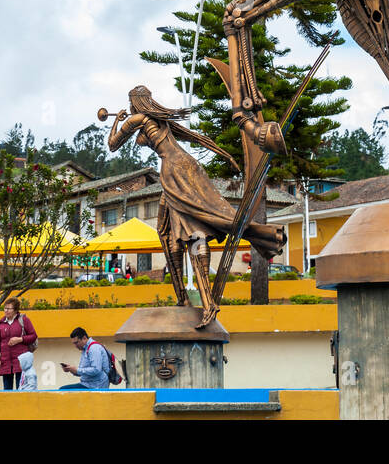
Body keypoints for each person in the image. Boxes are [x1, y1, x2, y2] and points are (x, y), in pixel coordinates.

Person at [107, 86, 286, 327]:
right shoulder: (160, 120)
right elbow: (196, 138)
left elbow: (112, 145)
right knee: (166, 231)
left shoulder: (138, 118)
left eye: (130, 102)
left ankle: (206, 302)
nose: (129, 107)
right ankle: (183, 298)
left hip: (174, 172)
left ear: (136, 103)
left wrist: (116, 123)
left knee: (192, 234)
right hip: (187, 167)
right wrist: (224, 154)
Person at [0, 297, 38, 390]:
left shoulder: (23, 320)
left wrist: (20, 339)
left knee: (20, 389)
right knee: (7, 391)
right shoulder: (1, 323)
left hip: (20, 361)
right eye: (5, 308)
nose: (6, 311)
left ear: (15, 310)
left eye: (9, 308)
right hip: (5, 361)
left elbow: (33, 336)